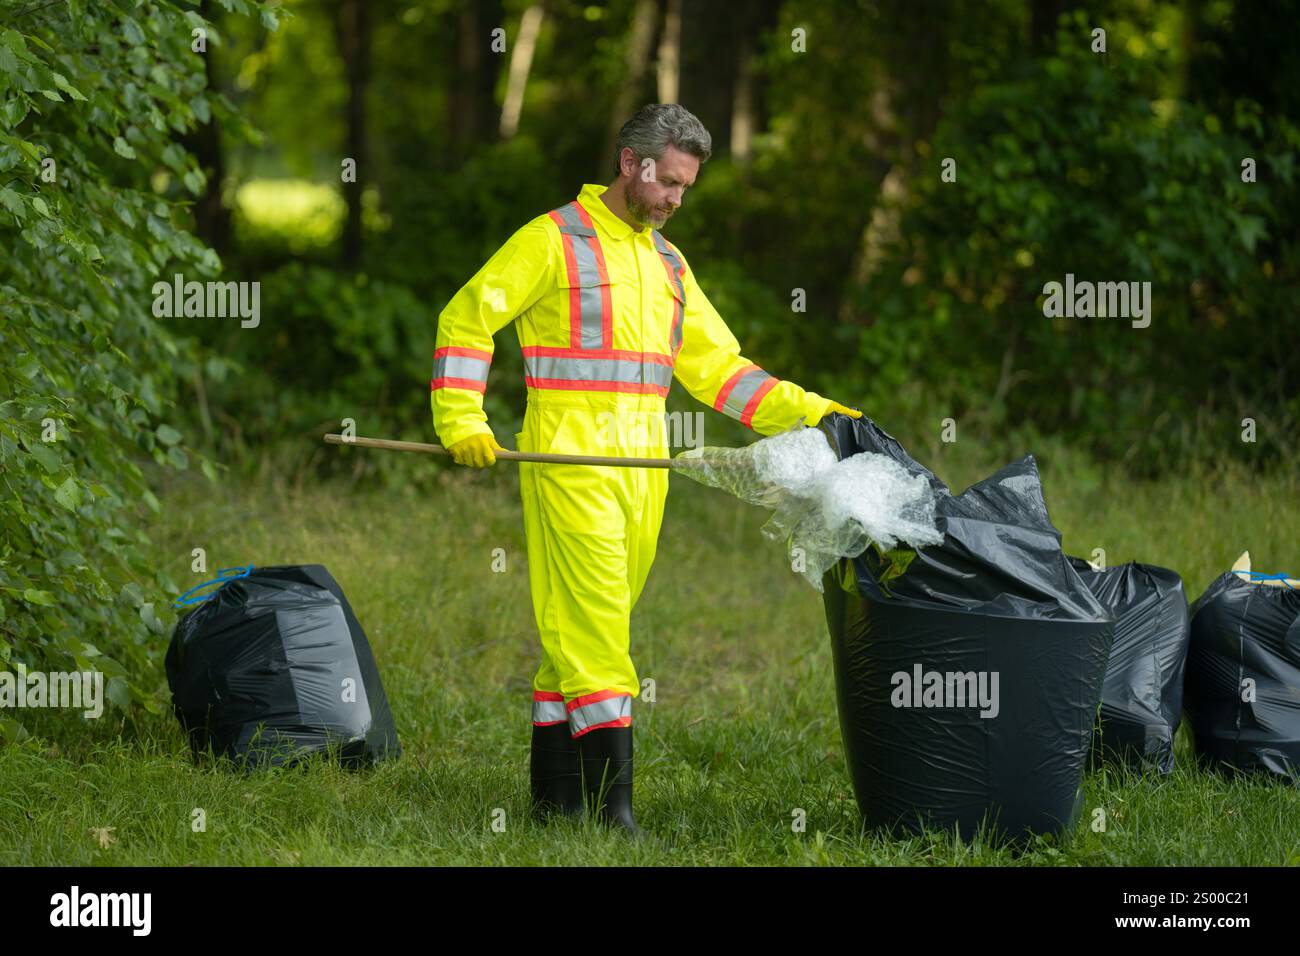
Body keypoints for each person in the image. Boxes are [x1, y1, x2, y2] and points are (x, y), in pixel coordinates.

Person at [430, 103, 862, 838]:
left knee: (583, 623)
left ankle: (554, 802)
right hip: (568, 457)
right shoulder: (553, 240)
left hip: (643, 464)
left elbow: (717, 370)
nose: (674, 201)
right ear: (631, 163)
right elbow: (469, 317)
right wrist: (462, 419)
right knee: (599, 628)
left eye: (687, 190)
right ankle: (613, 816)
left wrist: (814, 411)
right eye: (669, 183)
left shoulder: (667, 263)